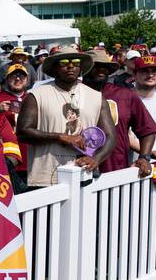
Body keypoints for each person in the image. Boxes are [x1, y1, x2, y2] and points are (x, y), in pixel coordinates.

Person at [16, 48, 117, 187]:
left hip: (83, 174)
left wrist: (96, 159)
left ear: (80, 68)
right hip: (45, 178)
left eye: (75, 62)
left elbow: (110, 136)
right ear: (54, 67)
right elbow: (23, 133)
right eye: (64, 62)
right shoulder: (36, 95)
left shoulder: (96, 97)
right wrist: (59, 137)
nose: (70, 66)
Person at [81, 50, 156, 177]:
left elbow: (147, 130)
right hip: (78, 168)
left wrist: (144, 157)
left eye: (105, 67)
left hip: (116, 170)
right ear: (83, 69)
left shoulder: (125, 95)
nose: (101, 70)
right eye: (95, 66)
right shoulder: (71, 95)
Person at [0, 63, 31, 188]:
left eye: (21, 76)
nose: (18, 79)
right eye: (13, 76)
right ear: (7, 79)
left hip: (32, 159)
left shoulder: (32, 98)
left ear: (27, 80)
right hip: (9, 160)